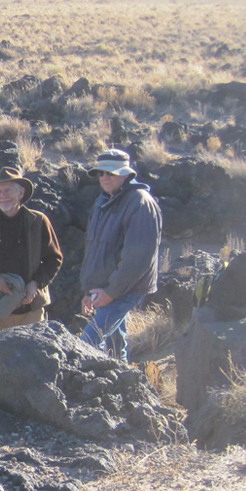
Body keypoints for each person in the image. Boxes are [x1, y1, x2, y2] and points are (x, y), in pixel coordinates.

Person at [79, 148, 163, 361]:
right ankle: (124, 388)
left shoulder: (140, 201)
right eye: (101, 173)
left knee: (85, 344)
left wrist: (111, 292)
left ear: (126, 174)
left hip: (125, 289)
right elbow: (95, 251)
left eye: (111, 173)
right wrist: (90, 291)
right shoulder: (102, 202)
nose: (105, 177)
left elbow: (138, 258)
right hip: (107, 289)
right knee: (115, 349)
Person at [0, 166, 63, 337]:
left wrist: (35, 284)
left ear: (21, 193)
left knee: (33, 360)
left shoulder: (39, 221)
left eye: (8, 190)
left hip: (31, 310)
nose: (2, 196)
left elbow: (54, 259)